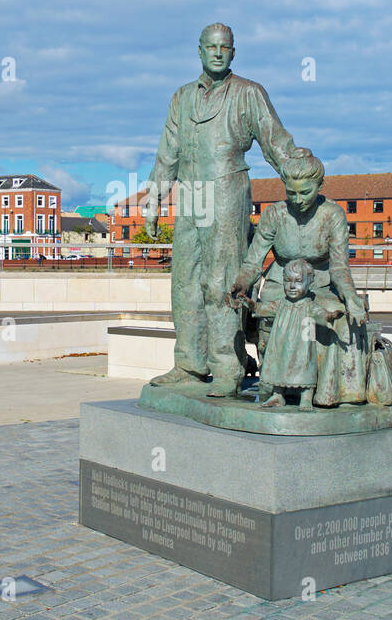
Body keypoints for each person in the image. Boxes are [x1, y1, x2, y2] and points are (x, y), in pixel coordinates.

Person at [143, 23, 301, 397]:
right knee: (185, 282)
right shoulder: (182, 97)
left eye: (224, 47)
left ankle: (228, 366)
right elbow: (168, 153)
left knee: (222, 282)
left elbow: (276, 143)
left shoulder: (249, 93)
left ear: (233, 52)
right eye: (210, 47)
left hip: (227, 191)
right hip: (191, 195)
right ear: (199, 51)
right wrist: (154, 201)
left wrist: (300, 184)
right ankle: (189, 364)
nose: (217, 53)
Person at [227, 149, 369, 406]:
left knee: (330, 316)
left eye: (305, 192)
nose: (298, 199)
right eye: (291, 193)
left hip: (320, 284)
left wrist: (351, 297)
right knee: (269, 319)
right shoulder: (274, 215)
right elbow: (253, 261)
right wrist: (240, 284)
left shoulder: (333, 215)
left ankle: (318, 387)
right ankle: (275, 386)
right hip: (280, 283)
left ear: (320, 185)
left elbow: (339, 267)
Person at [248, 259, 343, 409]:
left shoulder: (309, 305)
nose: (292, 286)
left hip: (303, 343)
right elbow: (265, 308)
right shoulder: (281, 303)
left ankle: (306, 397)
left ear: (309, 283)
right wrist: (253, 305)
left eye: (298, 281)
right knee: (278, 364)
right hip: (281, 343)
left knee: (306, 365)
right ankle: (278, 395)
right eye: (287, 281)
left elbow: (320, 313)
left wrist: (329, 316)